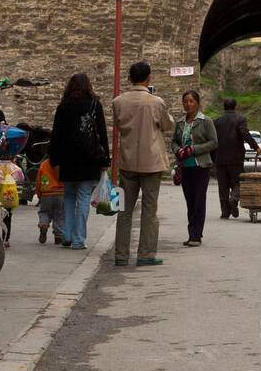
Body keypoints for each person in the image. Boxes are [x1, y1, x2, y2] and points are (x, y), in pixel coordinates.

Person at [112, 61, 174, 267]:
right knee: (149, 209)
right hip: (151, 163)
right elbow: (167, 125)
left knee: (124, 209)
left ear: (130, 78)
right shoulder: (156, 102)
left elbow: (119, 126)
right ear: (149, 78)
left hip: (127, 162)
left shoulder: (118, 102)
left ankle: (121, 254)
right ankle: (145, 253)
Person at [49, 73, 110, 251]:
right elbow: (102, 133)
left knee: (68, 196)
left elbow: (56, 135)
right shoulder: (94, 104)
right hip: (89, 158)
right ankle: (78, 239)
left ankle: (66, 235)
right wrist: (105, 159)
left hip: (68, 159)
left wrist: (54, 159)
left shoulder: (63, 107)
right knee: (83, 197)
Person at [172, 90, 218, 246]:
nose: (188, 104)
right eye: (185, 101)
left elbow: (213, 142)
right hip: (185, 166)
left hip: (200, 166)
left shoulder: (206, 121)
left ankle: (196, 236)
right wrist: (178, 150)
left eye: (191, 101)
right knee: (190, 201)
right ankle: (192, 233)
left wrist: (194, 149)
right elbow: (174, 142)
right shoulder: (179, 123)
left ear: (197, 103)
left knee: (199, 200)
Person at [213, 97, 254, 219]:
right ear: (235, 106)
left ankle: (225, 212)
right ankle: (234, 198)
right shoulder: (240, 119)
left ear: (224, 107)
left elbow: (212, 139)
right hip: (236, 158)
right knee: (239, 182)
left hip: (220, 158)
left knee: (223, 186)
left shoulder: (216, 121)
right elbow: (245, 134)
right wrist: (256, 147)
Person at [35, 153, 65, 244]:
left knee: (44, 212)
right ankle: (58, 235)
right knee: (59, 214)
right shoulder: (63, 163)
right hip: (61, 193)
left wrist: (39, 193)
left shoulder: (44, 164)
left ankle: (44, 224)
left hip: (46, 193)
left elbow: (38, 181)